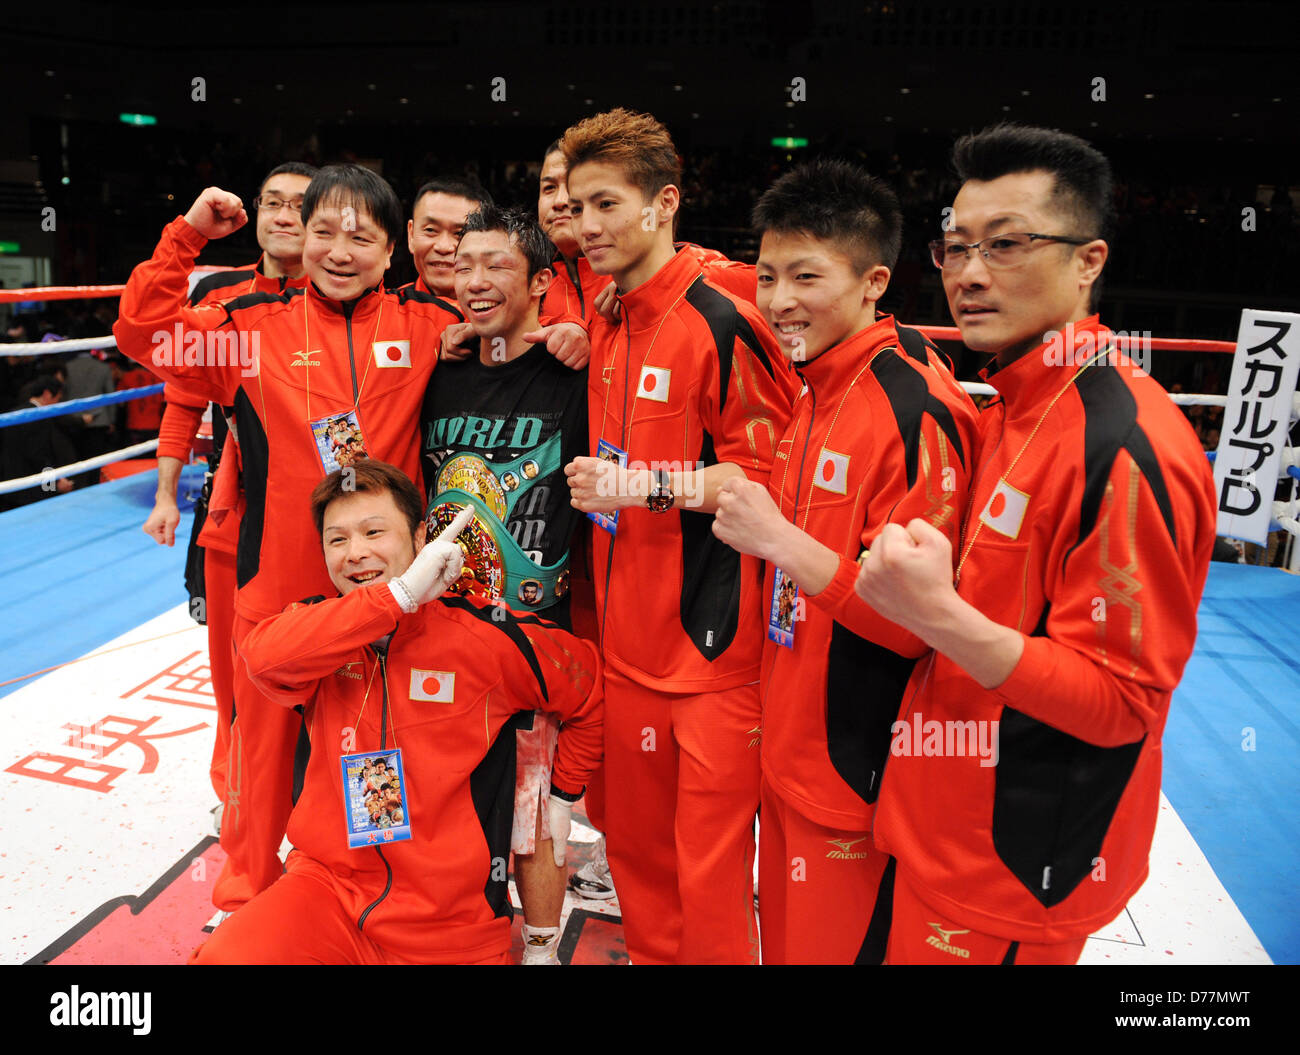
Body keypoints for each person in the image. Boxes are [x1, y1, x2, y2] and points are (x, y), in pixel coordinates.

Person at [855, 123, 1217, 965]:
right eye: (956, 248)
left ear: (1088, 261)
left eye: (1008, 245)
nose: (972, 273)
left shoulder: (1126, 443)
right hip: (935, 827)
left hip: (1014, 867)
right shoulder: (1010, 404)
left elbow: (1123, 704)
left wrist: (937, 614)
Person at [112, 163, 464, 915]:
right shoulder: (247, 329)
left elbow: (519, 342)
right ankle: (244, 898)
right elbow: (144, 337)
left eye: (361, 237)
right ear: (299, 238)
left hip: (387, 590)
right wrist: (187, 237)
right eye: (324, 231)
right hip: (276, 581)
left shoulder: (427, 323)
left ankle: (372, 898)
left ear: (390, 253)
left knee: (383, 739)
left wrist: (561, 330)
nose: (341, 250)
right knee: (262, 757)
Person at [711, 159, 979, 964]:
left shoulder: (915, 408)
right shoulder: (814, 385)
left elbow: (919, 628)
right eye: (765, 276)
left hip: (854, 775)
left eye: (805, 276)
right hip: (788, 750)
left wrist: (779, 540)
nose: (779, 300)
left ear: (873, 282)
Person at [191, 459, 602, 964]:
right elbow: (260, 659)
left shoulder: (486, 636)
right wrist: (398, 597)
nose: (356, 552)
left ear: (421, 534)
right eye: (337, 540)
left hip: (448, 923)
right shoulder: (315, 628)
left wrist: (564, 792)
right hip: (328, 893)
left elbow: (589, 688)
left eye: (373, 531)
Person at [562, 108, 798, 964]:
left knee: (709, 873)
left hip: (712, 658)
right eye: (576, 205)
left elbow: (771, 479)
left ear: (663, 203)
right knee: (635, 854)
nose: (586, 226)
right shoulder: (606, 311)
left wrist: (643, 484)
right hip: (624, 648)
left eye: (606, 204)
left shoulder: (725, 317)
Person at [420, 203, 591, 963]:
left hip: (532, 631)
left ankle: (544, 948)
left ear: (544, 283)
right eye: (465, 265)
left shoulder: (574, 374)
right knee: (442, 791)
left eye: (497, 266)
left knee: (532, 806)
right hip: (435, 622)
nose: (476, 281)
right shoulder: (441, 368)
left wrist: (592, 329)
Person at [141, 161, 318, 812]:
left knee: (336, 668)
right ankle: (239, 790)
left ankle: (325, 801)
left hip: (337, 523)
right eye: (271, 201)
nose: (282, 215)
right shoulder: (221, 299)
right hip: (238, 514)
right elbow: (183, 397)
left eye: (299, 204)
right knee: (235, 667)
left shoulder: (360, 308)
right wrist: (164, 496)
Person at [405, 178, 493, 299]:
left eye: (460, 233)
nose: (443, 247)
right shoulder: (383, 311)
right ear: (411, 235)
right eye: (430, 230)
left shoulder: (508, 315)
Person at [0, 374, 77, 510]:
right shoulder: (39, 418)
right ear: (47, 394)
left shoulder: (14, 412)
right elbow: (38, 457)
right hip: (32, 492)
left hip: (9, 488)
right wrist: (56, 481)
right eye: (58, 399)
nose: (57, 405)